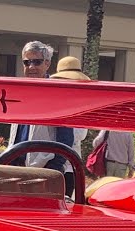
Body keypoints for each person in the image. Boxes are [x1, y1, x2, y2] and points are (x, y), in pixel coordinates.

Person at [7, 42, 77, 188]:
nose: (31, 66)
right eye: (27, 62)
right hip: (15, 171)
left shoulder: (57, 94)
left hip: (43, 174)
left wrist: (54, 169)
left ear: (47, 63)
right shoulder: (18, 93)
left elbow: (66, 138)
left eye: (36, 62)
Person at [49, 56, 92, 189]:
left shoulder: (80, 106)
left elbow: (81, 134)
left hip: (70, 166)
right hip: (48, 163)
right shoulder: (51, 103)